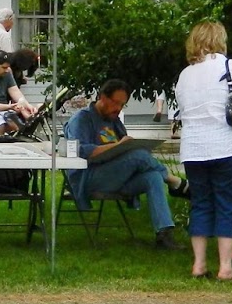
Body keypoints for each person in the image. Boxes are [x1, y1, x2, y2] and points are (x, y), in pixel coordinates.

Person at [175, 21, 232, 280]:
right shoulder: (229, 66)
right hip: (228, 146)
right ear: (219, 39)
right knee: (227, 204)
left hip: (194, 149)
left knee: (200, 203)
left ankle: (198, 265)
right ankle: (225, 267)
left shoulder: (185, 74)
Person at [64, 79, 188, 252]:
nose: (118, 108)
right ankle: (174, 181)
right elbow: (83, 151)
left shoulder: (114, 121)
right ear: (102, 97)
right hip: (88, 177)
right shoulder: (82, 119)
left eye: (123, 104)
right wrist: (119, 146)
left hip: (117, 177)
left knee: (152, 177)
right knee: (138, 156)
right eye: (115, 102)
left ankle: (164, 234)